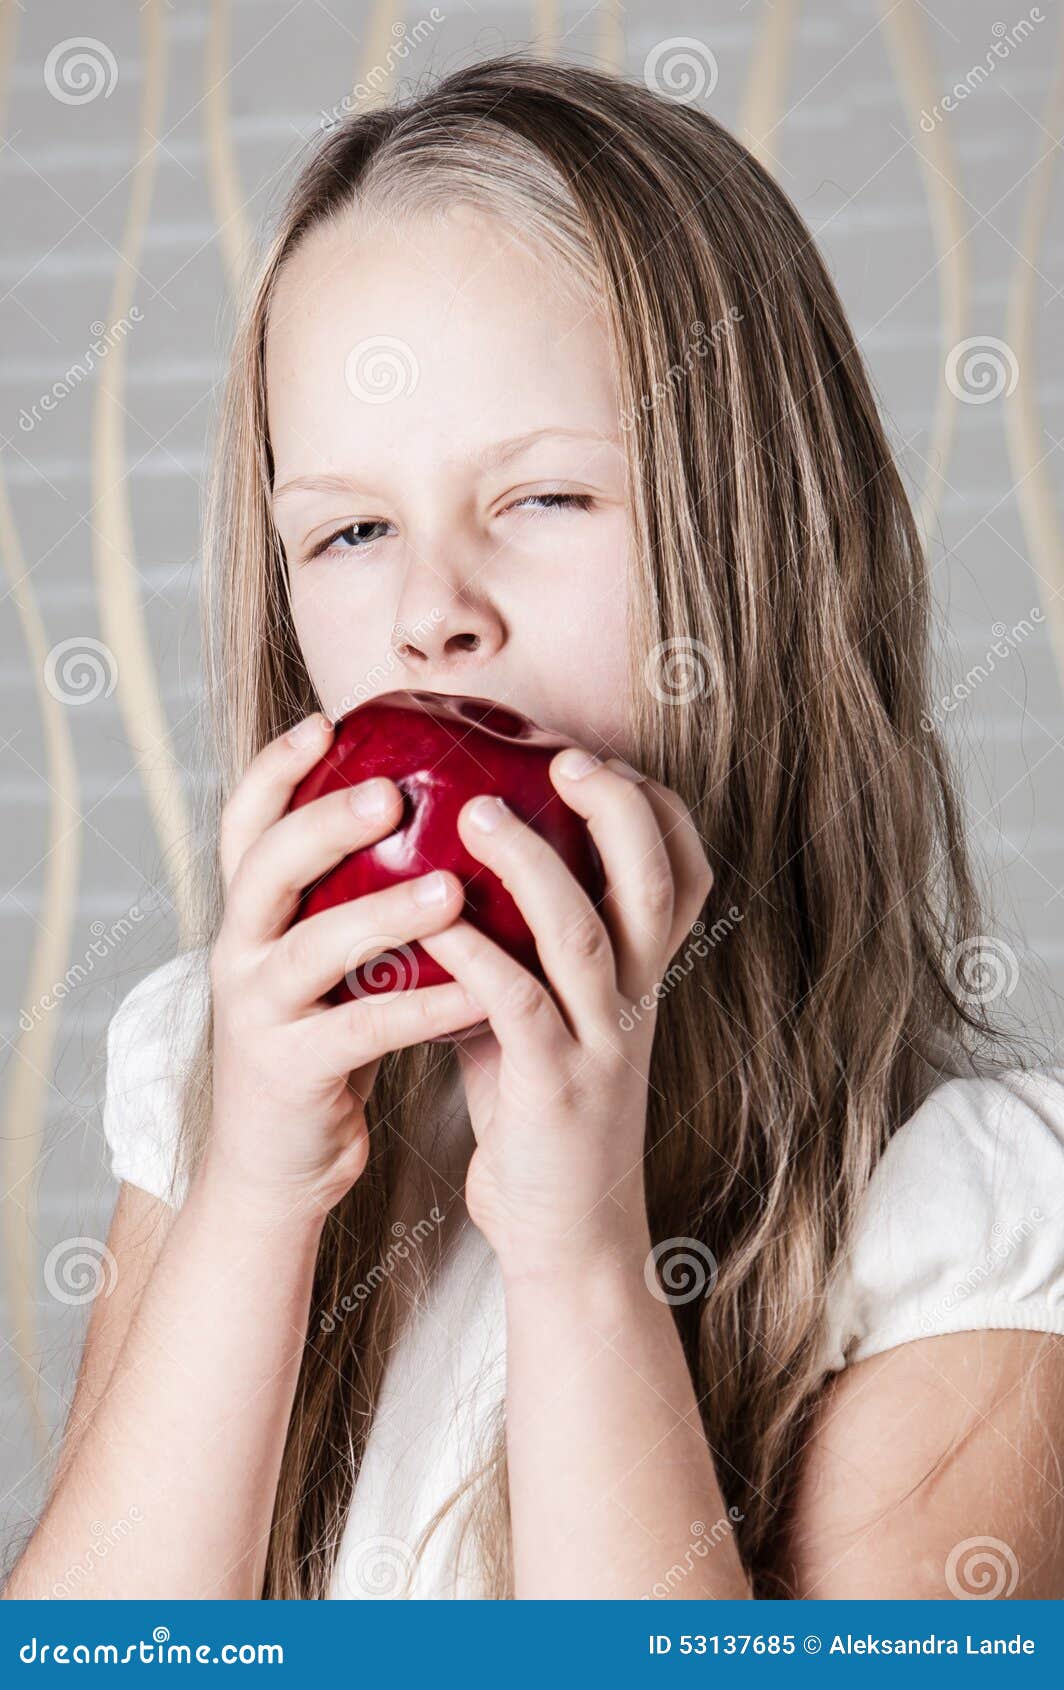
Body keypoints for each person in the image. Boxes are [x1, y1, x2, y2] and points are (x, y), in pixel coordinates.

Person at [6, 55, 1064, 1602]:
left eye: (545, 500)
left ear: (762, 544)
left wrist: (582, 1262)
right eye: (355, 530)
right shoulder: (211, 1074)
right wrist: (251, 1198)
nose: (435, 613)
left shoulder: (969, 1211)